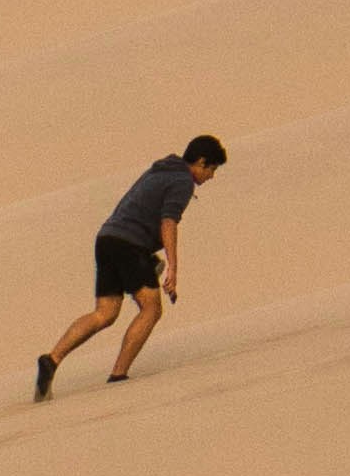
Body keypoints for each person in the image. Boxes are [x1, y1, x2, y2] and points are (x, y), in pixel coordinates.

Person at [36, 135, 227, 394]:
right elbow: (168, 223)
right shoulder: (182, 181)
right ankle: (118, 376)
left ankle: (52, 359)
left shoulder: (160, 170)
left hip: (107, 239)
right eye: (212, 169)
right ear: (201, 162)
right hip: (129, 246)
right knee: (152, 309)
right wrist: (173, 267)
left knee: (105, 313)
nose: (212, 176)